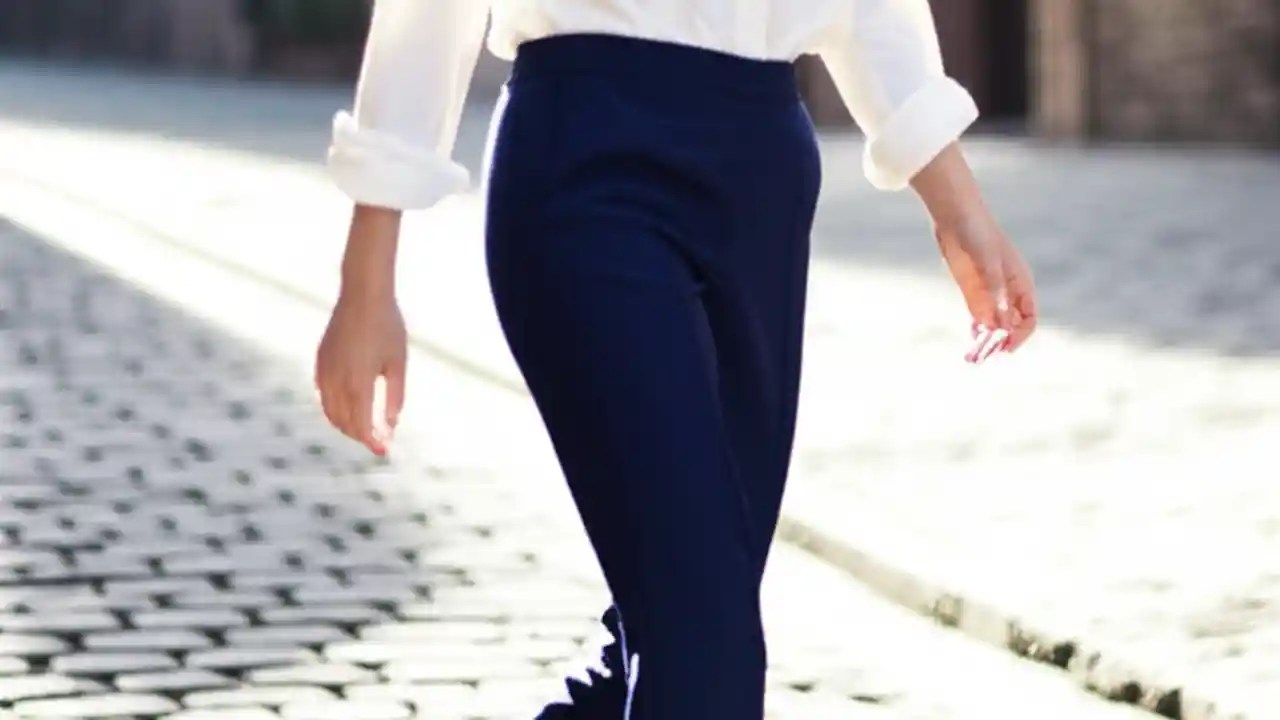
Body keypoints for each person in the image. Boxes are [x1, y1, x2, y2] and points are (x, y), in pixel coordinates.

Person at [314, 1, 1038, 717]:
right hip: (586, 159)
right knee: (704, 646)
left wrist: (958, 208)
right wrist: (366, 276)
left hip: (762, 178)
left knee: (662, 640)